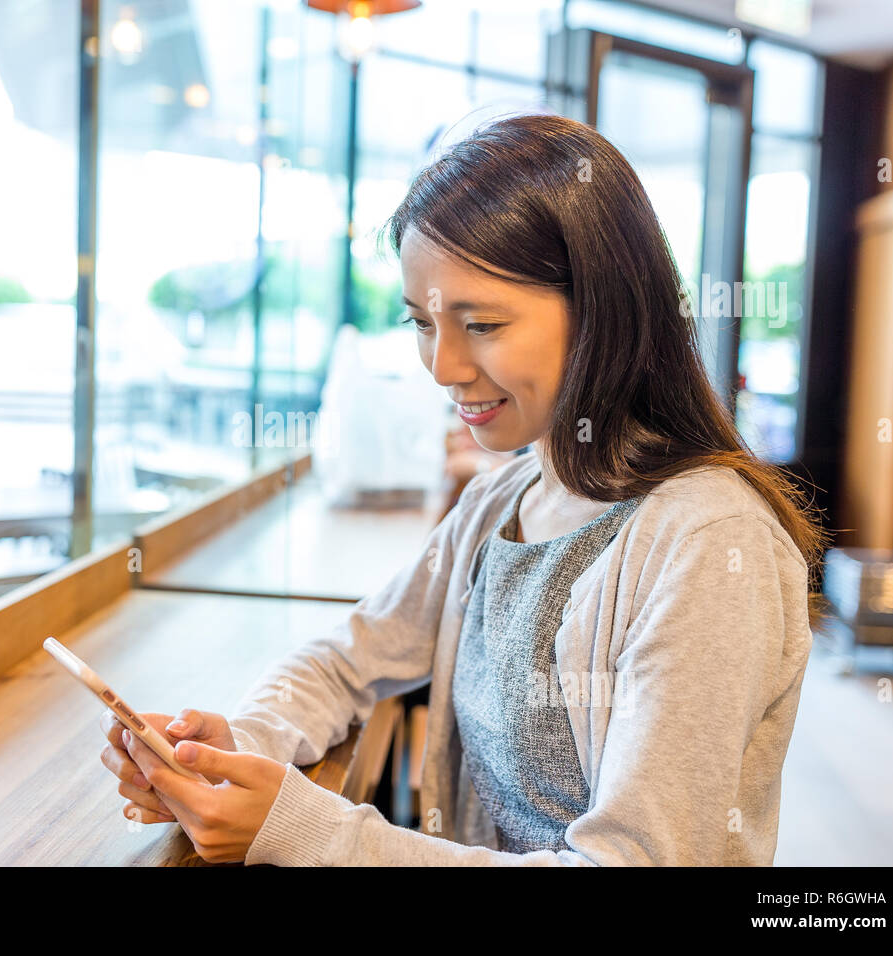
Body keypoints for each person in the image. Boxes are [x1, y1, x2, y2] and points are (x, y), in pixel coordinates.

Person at [98, 111, 827, 865]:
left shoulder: (709, 543)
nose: (442, 367)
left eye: (480, 324)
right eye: (422, 322)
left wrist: (308, 829)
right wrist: (238, 747)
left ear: (605, 310)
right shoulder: (504, 499)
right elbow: (350, 657)